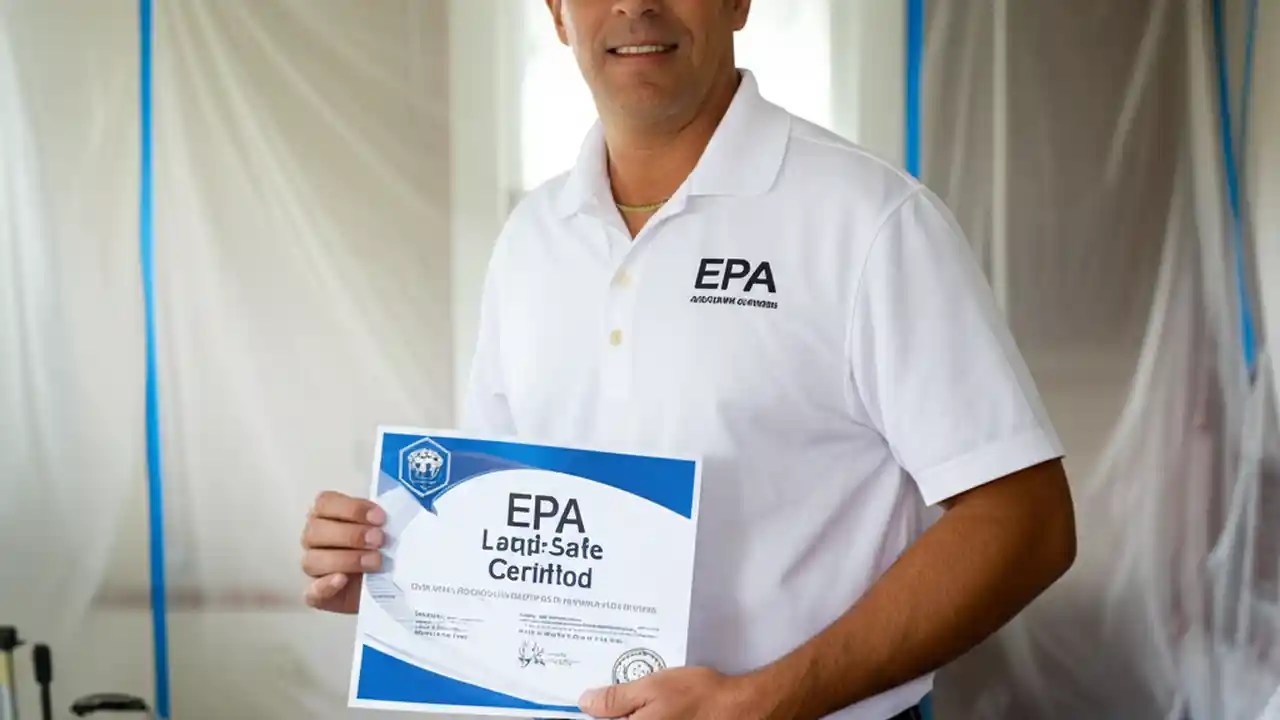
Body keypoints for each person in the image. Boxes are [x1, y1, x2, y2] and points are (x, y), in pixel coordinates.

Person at [299, 1, 1078, 718]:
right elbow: (507, 525)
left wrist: (765, 701)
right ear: (557, 13)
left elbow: (1026, 521)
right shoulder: (534, 237)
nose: (637, 5)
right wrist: (406, 574)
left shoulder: (868, 222)